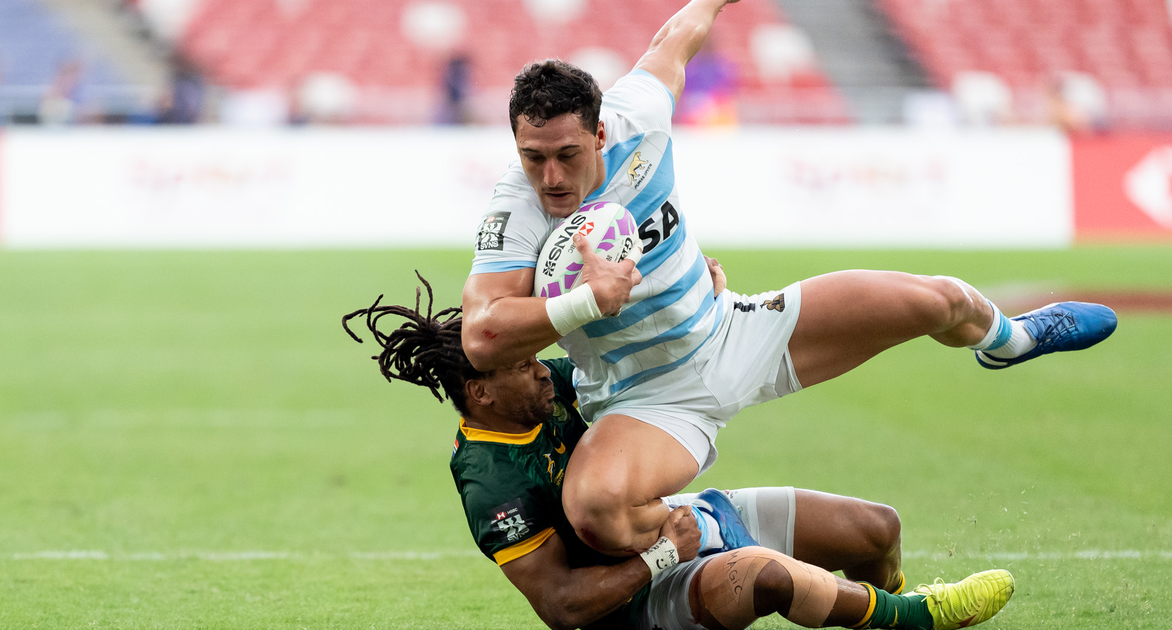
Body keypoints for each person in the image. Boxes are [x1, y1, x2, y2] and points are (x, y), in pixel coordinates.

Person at [459, 0, 1117, 558]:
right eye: (532, 157)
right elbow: (483, 338)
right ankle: (716, 521)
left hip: (734, 329)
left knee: (937, 299)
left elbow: (675, 38)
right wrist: (585, 301)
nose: (550, 178)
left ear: (601, 133)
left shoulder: (641, 114)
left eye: (566, 156)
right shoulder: (514, 213)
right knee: (597, 512)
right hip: (645, 399)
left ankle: (1011, 341)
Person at [340, 275, 1016, 630]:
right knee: (765, 577)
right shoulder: (490, 479)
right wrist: (662, 556)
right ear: (480, 396)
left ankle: (880, 607)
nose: (541, 368)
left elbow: (658, 372)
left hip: (681, 522)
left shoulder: (553, 384)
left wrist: (702, 301)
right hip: (635, 600)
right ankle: (915, 619)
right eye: (519, 366)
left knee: (875, 529)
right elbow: (561, 607)